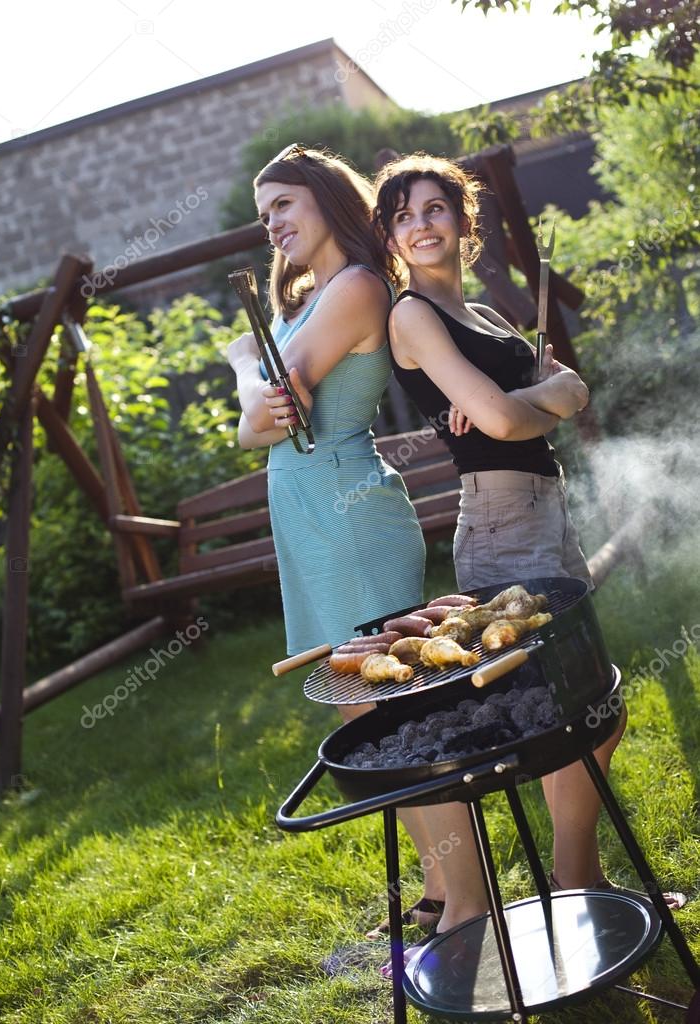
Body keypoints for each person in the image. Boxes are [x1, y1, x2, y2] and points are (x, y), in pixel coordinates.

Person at [372, 152, 684, 973]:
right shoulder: (411, 317)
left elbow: (567, 391)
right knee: (576, 716)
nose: (421, 224)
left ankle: (581, 881)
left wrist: (529, 401)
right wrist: (531, 403)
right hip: (503, 527)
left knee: (588, 712)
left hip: (548, 516)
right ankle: (577, 887)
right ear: (393, 236)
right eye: (403, 215)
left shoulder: (481, 313)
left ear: (462, 223)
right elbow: (502, 424)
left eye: (435, 208)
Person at [226, 145, 447, 935]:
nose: (273, 224)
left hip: (350, 515)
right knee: (360, 712)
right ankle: (441, 891)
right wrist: (254, 386)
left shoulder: (354, 286)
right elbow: (257, 426)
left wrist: (248, 372)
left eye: (283, 204)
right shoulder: (314, 296)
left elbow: (270, 408)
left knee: (391, 707)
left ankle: (468, 897)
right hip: (312, 514)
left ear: (323, 197)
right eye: (264, 215)